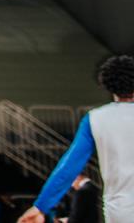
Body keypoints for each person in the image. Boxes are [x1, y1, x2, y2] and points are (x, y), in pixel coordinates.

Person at [23, 55, 134, 223]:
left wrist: (41, 206)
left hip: (120, 212)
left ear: (108, 86)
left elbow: (69, 166)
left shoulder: (95, 118)